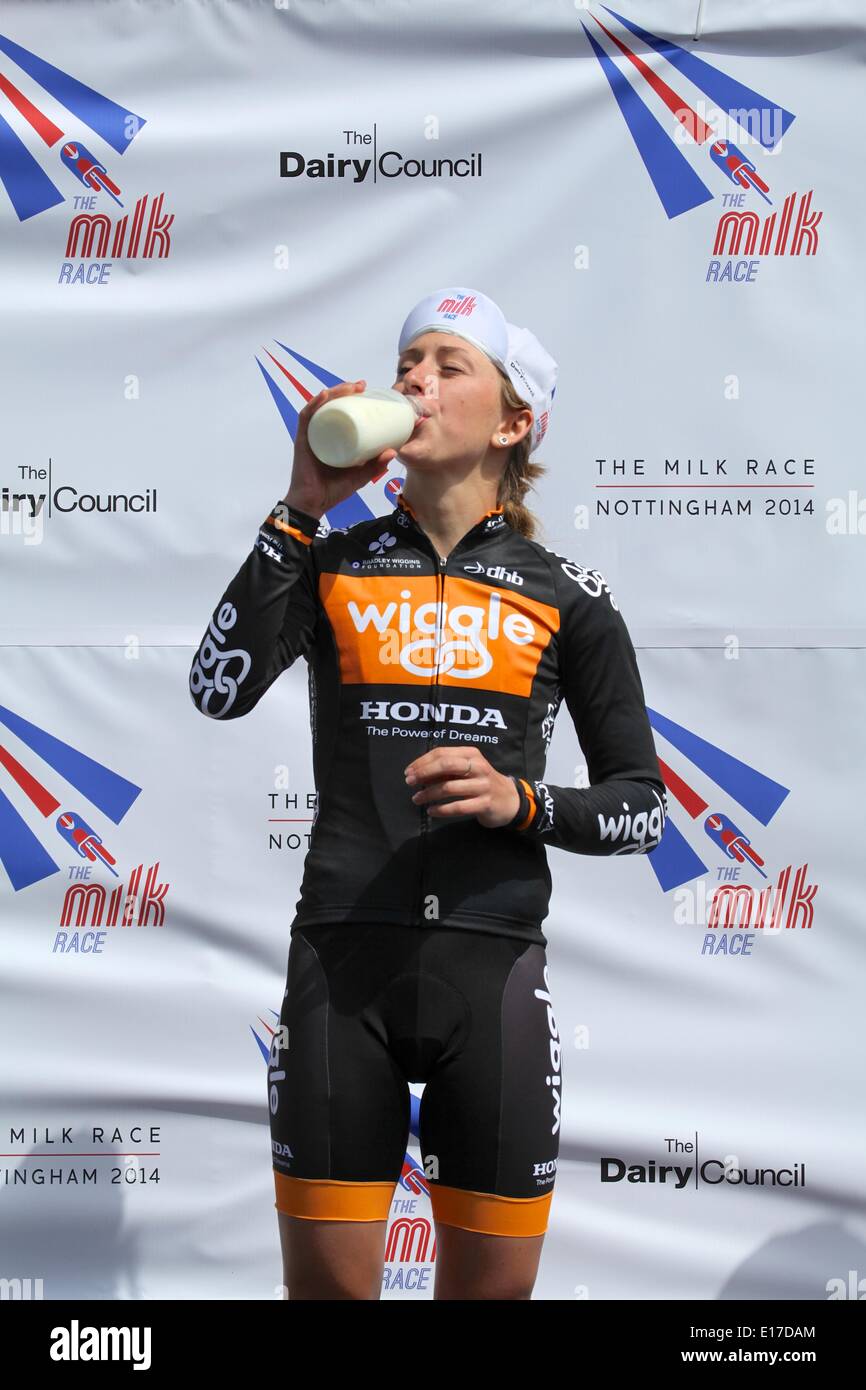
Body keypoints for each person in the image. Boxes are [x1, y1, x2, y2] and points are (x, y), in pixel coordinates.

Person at [188, 285, 667, 1300]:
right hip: (340, 959)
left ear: (510, 419)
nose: (415, 380)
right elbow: (214, 690)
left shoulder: (568, 595)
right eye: (409, 363)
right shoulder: (330, 564)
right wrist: (301, 505)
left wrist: (521, 802)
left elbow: (642, 805)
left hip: (488, 974)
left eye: (449, 365)